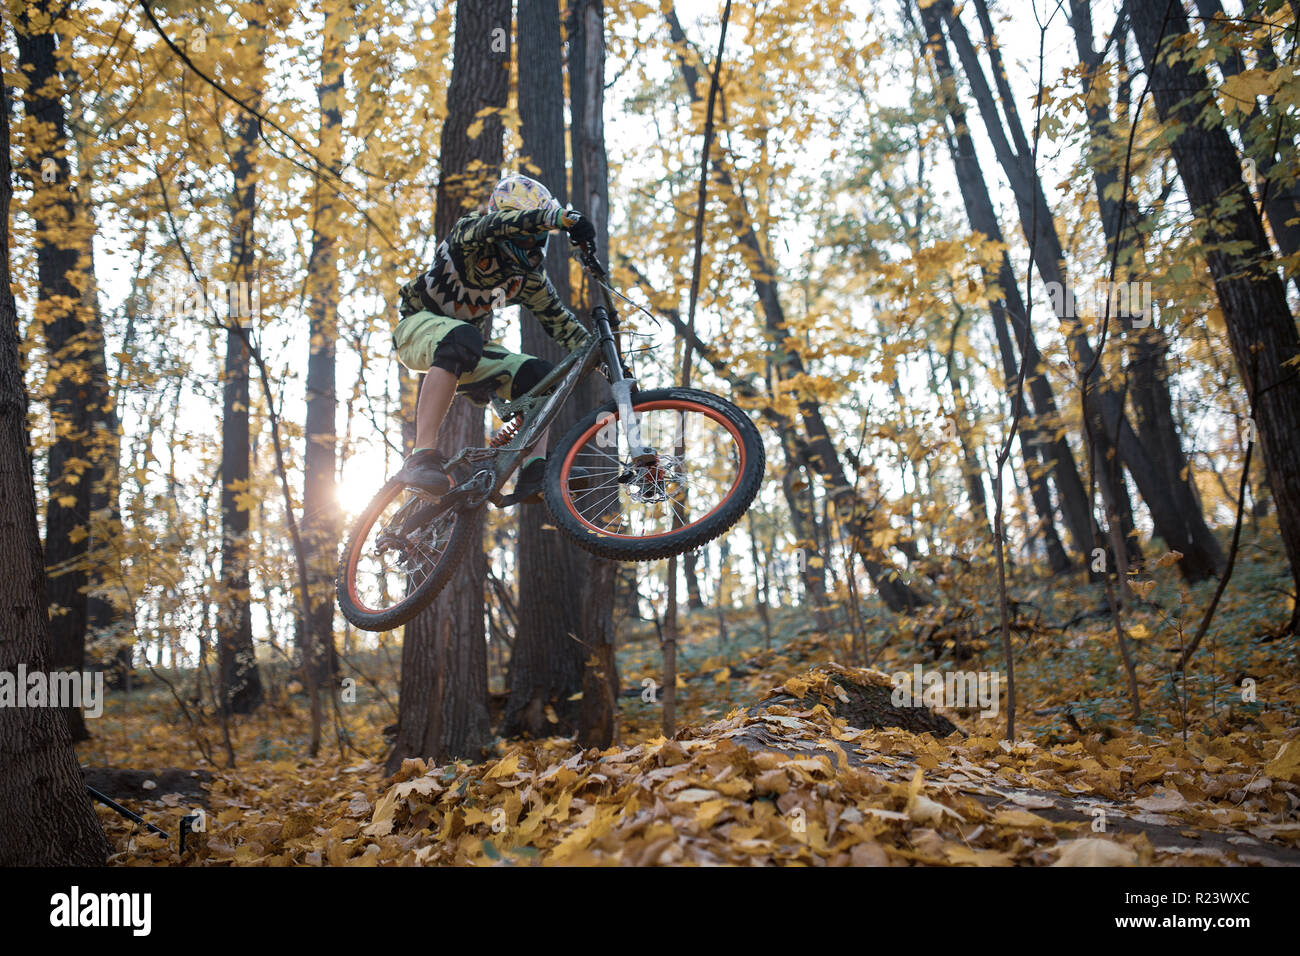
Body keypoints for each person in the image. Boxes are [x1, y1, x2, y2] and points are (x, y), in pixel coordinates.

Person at [391, 174, 596, 503]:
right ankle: (420, 455)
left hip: (466, 350)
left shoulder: (525, 279)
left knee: (541, 375)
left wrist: (612, 365)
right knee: (462, 336)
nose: (532, 244)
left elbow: (562, 324)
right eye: (528, 235)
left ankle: (533, 471)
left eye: (538, 237)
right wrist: (560, 218)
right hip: (415, 330)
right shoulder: (470, 233)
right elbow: (494, 226)